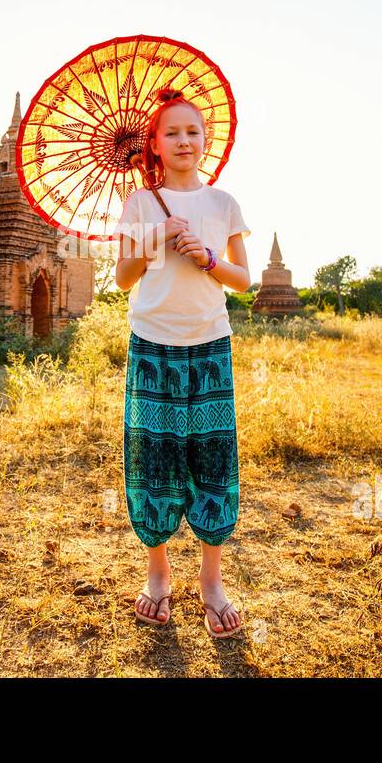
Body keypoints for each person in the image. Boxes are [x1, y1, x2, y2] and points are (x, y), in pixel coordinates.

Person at [113, 86, 251, 637]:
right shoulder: (141, 205)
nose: (183, 140)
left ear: (206, 140)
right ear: (154, 143)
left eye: (192, 131)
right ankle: (159, 575)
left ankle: (211, 581)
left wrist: (210, 258)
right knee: (157, 458)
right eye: (171, 132)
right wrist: (156, 240)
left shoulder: (224, 204)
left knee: (212, 456)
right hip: (152, 343)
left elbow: (243, 280)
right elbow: (122, 277)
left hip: (209, 342)